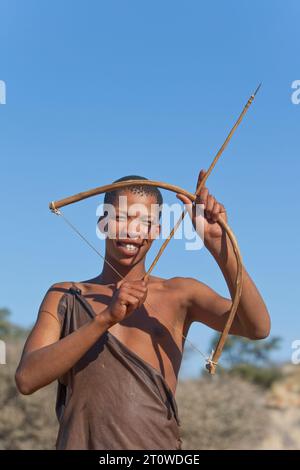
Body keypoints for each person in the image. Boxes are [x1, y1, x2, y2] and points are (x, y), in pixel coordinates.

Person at [15, 171, 270, 450]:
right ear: (102, 223)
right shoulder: (65, 295)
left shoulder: (181, 294)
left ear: (158, 230)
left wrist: (220, 245)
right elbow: (27, 379)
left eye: (146, 222)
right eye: (121, 218)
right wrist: (105, 319)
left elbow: (257, 327)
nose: (132, 232)